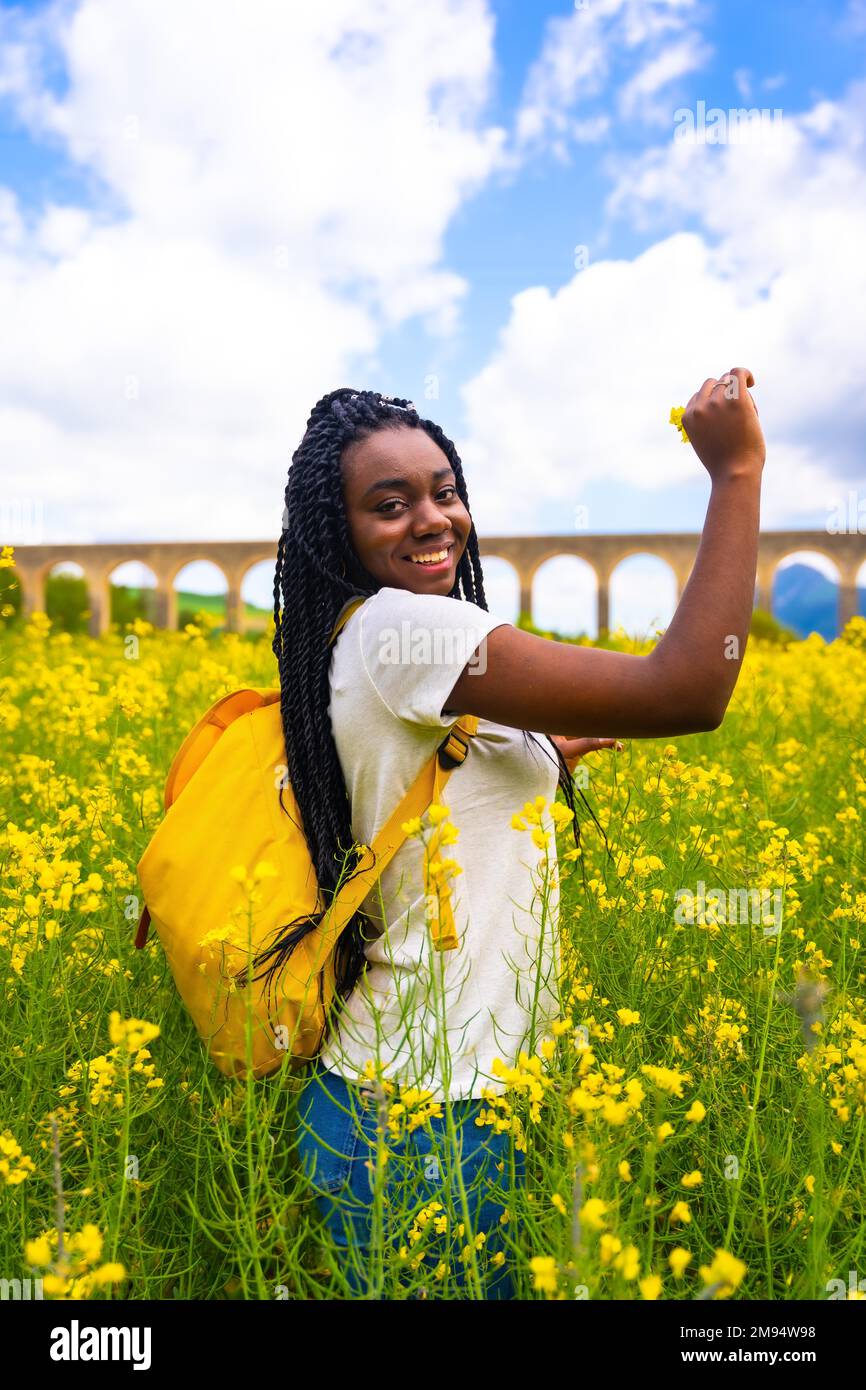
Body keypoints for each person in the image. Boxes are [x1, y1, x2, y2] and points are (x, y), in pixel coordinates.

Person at [275, 374, 766, 1298]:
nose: (432, 519)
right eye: (390, 505)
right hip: (422, 1118)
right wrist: (736, 473)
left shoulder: (363, 639)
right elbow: (690, 689)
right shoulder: (407, 632)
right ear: (334, 528)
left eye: (444, 491)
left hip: (418, 1095)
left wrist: (539, 761)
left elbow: (420, 808)